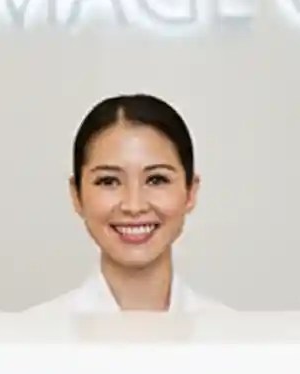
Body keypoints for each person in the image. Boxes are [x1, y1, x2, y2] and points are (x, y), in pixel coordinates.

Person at [26, 94, 229, 314]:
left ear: (190, 192)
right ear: (76, 195)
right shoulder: (33, 336)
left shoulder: (233, 338)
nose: (134, 206)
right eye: (109, 181)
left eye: (156, 180)